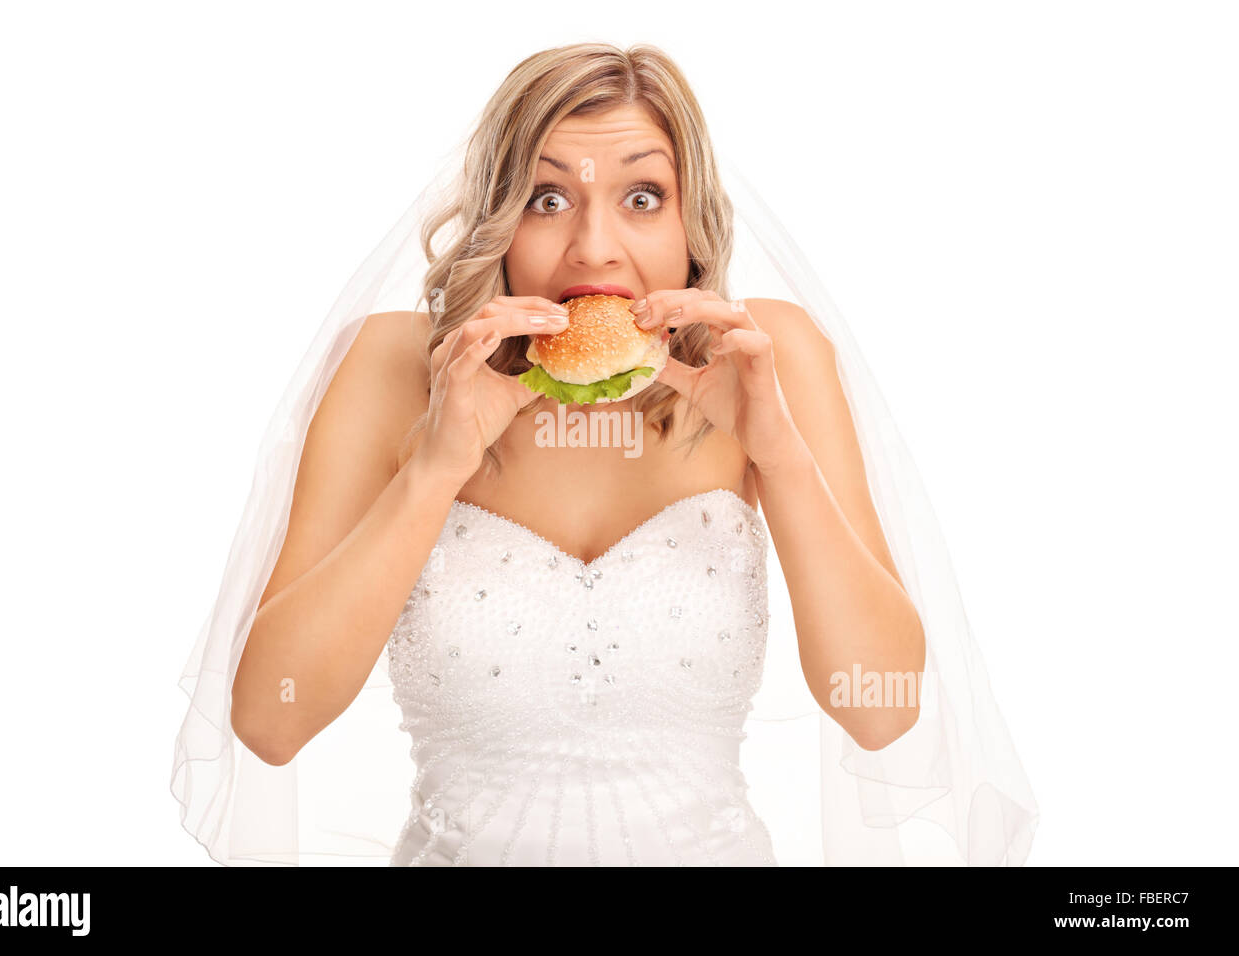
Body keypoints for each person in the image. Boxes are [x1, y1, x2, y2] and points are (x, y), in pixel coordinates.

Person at [172, 42, 1040, 866]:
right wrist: (435, 469)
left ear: (692, 227)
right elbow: (268, 722)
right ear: (498, 226)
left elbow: (879, 711)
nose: (594, 248)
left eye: (641, 197)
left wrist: (781, 460)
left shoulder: (767, 357)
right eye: (548, 200)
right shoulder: (395, 367)